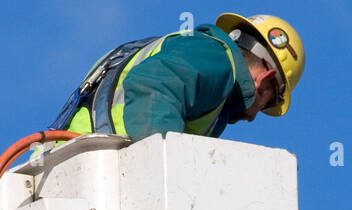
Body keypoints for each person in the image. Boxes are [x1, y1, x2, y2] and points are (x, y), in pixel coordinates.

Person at [49, 13, 304, 141]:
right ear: (265, 79)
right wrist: (165, 175)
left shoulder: (188, 53)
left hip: (71, 171)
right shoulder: (213, 57)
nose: (252, 117)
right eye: (269, 103)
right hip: (88, 175)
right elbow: (152, 87)